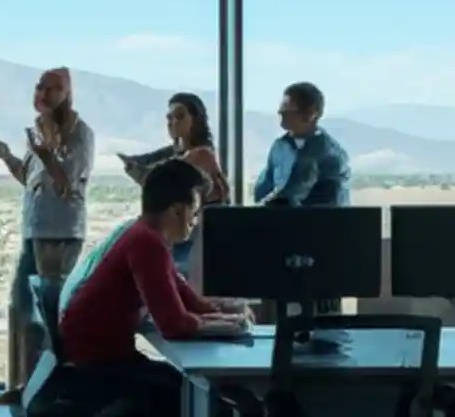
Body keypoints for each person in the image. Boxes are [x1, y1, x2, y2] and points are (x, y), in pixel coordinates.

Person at [54, 160, 250, 414]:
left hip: (103, 355)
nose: (195, 222)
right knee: (185, 393)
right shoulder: (146, 243)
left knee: (179, 384)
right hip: (94, 362)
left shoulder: (146, 236)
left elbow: (189, 302)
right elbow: (173, 324)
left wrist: (228, 312)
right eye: (195, 212)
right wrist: (226, 326)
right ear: (177, 211)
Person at [0, 67, 93, 407]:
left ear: (67, 94)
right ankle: (23, 384)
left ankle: (50, 390)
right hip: (33, 230)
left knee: (48, 314)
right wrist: (4, 153)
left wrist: (45, 153)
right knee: (21, 307)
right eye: (40, 86)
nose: (43, 93)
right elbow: (31, 177)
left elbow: (67, 185)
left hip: (60, 234)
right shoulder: (38, 132)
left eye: (53, 88)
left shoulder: (80, 133)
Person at [118, 92, 229, 283]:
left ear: (196, 119)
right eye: (169, 118)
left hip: (199, 236)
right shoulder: (179, 152)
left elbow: (158, 179)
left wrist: (135, 170)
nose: (172, 123)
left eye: (180, 116)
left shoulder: (201, 155)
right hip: (182, 232)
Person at [254, 81, 351, 207]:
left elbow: (328, 201)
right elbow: (263, 189)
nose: (280, 112)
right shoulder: (280, 146)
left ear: (310, 114)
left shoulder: (331, 155)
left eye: (287, 109)